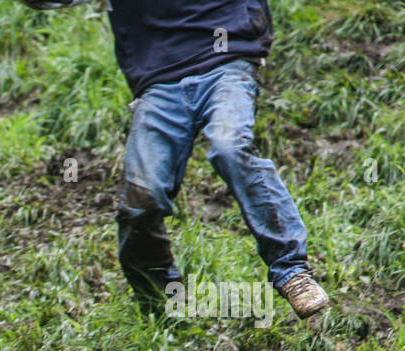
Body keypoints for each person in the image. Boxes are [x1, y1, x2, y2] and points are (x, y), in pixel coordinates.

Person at [22, 0, 330, 318]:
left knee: (229, 146)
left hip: (227, 60)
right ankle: (162, 304)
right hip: (160, 81)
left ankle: (292, 272)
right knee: (143, 195)